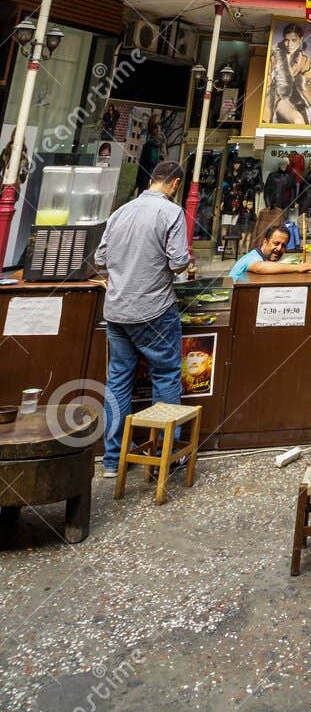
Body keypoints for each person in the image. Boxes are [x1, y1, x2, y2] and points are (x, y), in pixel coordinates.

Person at [94, 160, 191, 477]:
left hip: (117, 311)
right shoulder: (171, 212)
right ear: (174, 184)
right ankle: (166, 456)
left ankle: (111, 461)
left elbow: (100, 259)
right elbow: (178, 263)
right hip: (154, 310)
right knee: (165, 376)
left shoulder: (121, 211)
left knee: (119, 380)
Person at [229, 209, 292, 281]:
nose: (279, 248)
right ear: (265, 242)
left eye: (283, 245)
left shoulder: (264, 258)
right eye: (276, 243)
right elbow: (259, 268)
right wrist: (298, 268)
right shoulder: (252, 257)